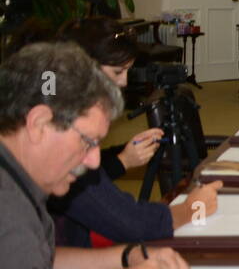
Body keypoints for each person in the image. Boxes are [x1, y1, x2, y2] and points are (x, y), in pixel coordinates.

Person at [0, 43, 192, 269]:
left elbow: (37, 266)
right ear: (39, 123)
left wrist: (124, 258)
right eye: (88, 142)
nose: (93, 162)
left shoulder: (19, 177)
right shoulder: (6, 199)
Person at [46, 19, 222, 246]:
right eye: (117, 71)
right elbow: (130, 224)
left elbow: (87, 180)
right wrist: (192, 209)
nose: (123, 82)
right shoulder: (58, 129)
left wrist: (123, 158)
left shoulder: (53, 106)